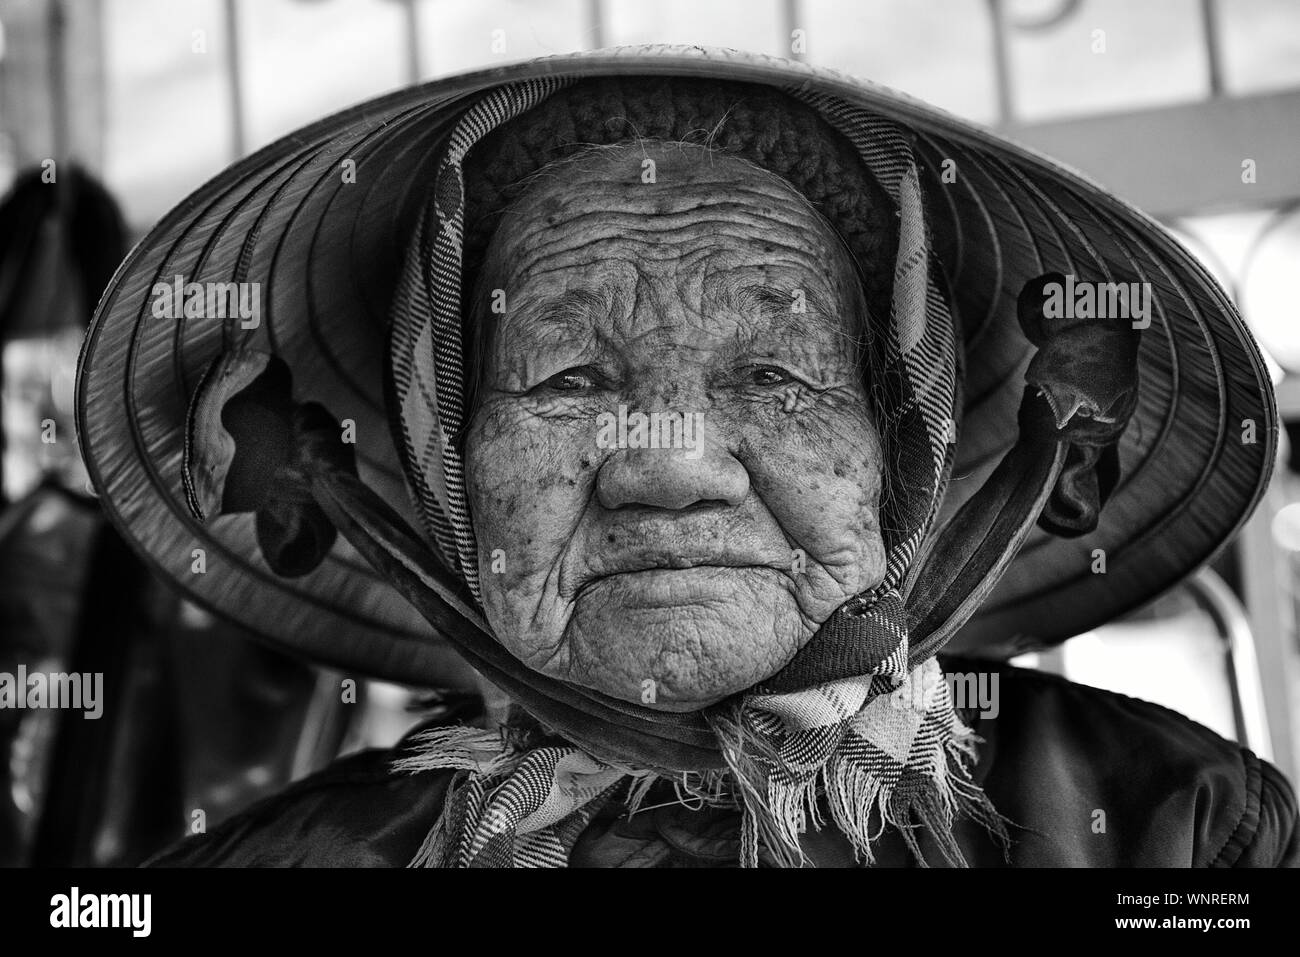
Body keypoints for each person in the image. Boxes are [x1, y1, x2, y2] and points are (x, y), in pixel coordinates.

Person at [76, 48, 1298, 867]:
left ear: (897, 447)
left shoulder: (1176, 834)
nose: (665, 468)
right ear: (447, 458)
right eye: (565, 379)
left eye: (773, 375)